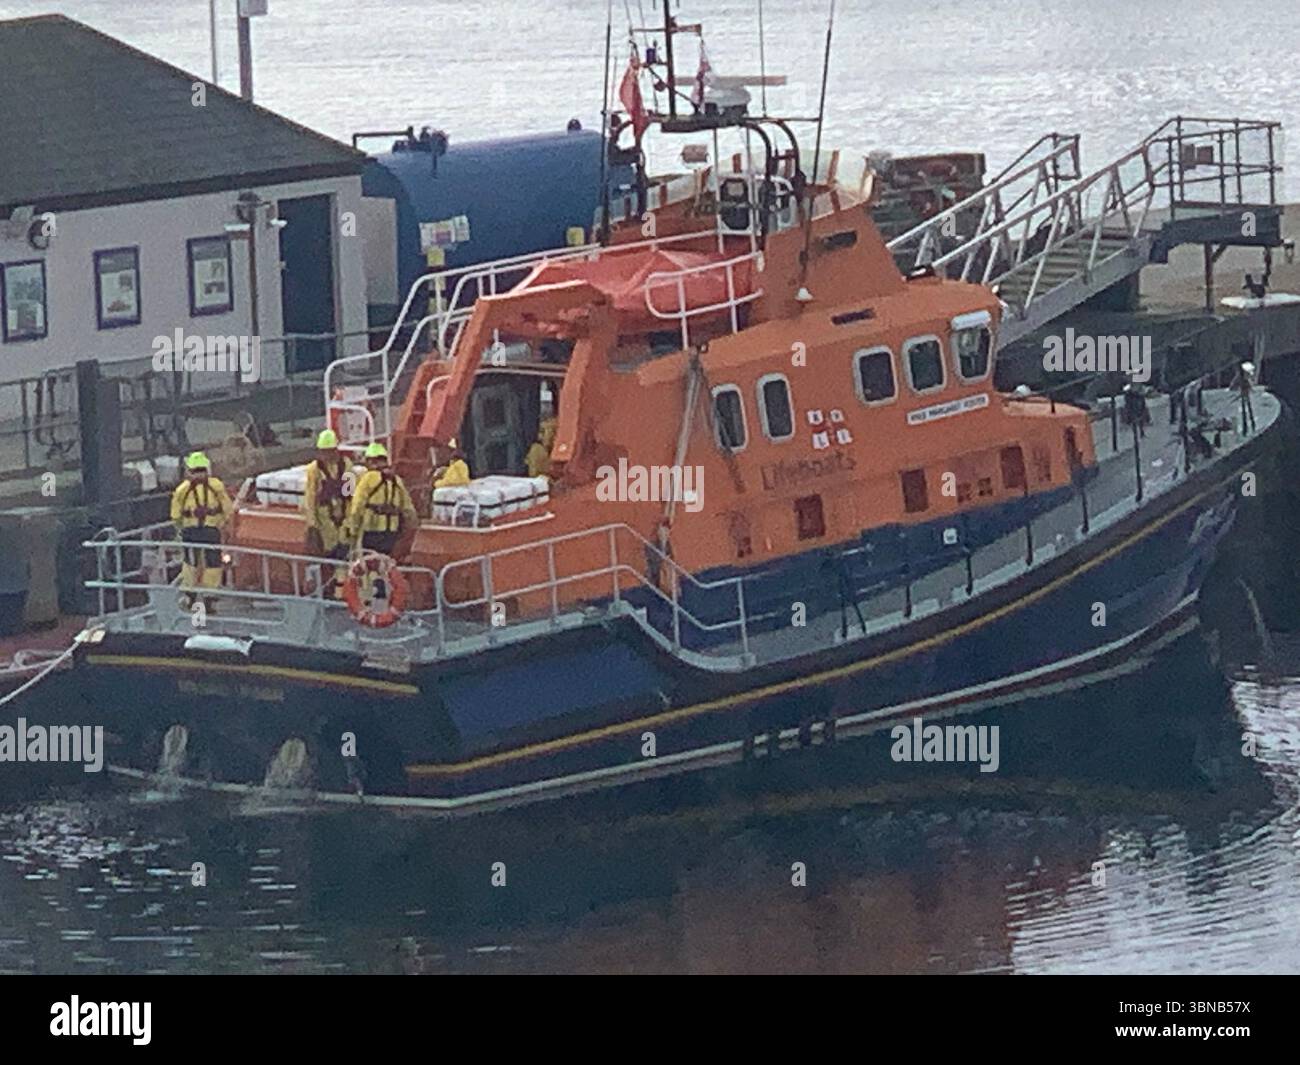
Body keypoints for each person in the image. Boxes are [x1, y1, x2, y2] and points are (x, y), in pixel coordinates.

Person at [170, 451, 232, 608]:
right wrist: (221, 523)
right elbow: (227, 509)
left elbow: (175, 514)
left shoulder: (182, 490)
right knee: (213, 563)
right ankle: (209, 599)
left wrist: (180, 528)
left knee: (191, 563)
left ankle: (190, 597)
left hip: (190, 532)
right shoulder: (216, 486)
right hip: (211, 531)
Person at [345, 441, 418, 559]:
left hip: (372, 530)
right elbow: (408, 508)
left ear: (370, 460)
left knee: (369, 564)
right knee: (385, 564)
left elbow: (357, 505)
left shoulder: (368, 478)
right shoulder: (397, 480)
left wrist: (352, 529)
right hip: (392, 532)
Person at [302, 428, 351, 597]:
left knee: (343, 554)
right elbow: (310, 499)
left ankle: (340, 594)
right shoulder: (313, 470)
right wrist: (312, 525)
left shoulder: (347, 466)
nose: (326, 455)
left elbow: (350, 495)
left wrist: (351, 520)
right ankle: (330, 591)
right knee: (330, 555)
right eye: (323, 452)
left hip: (343, 519)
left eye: (328, 451)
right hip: (324, 520)